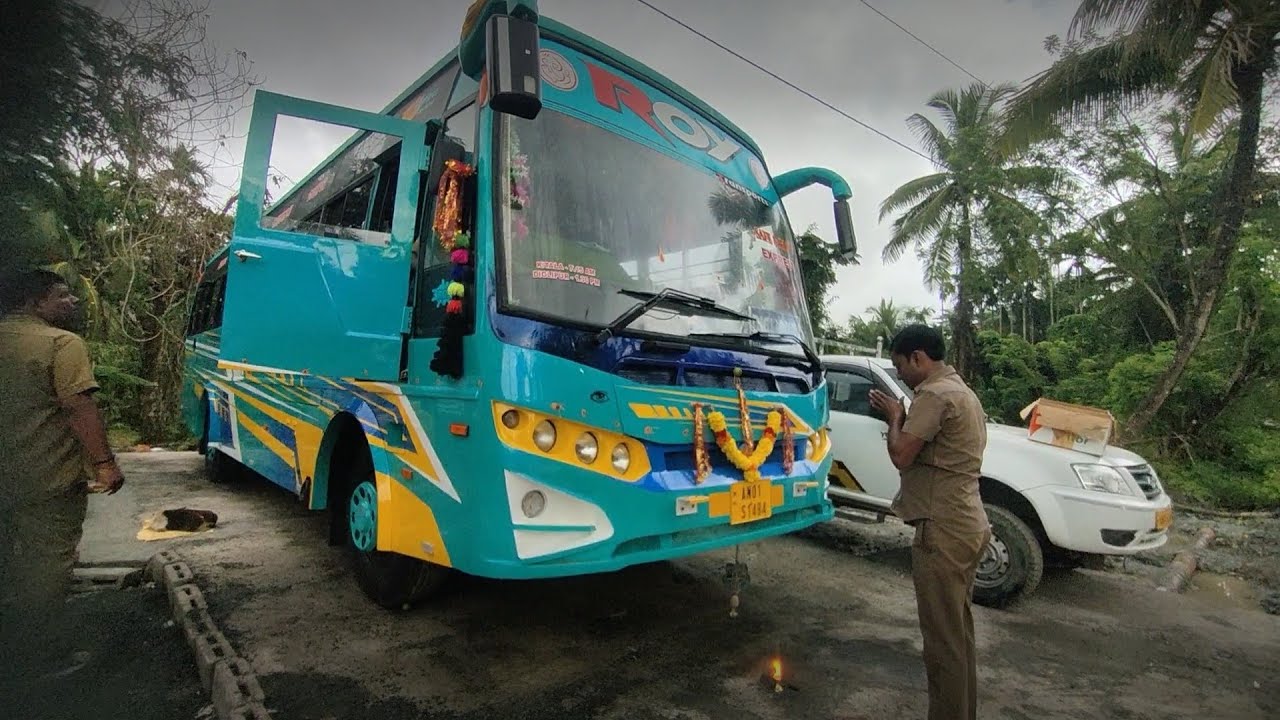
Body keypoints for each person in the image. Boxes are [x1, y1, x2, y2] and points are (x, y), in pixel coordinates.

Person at [0, 268, 124, 679]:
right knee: (45, 567)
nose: (72, 301)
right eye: (61, 295)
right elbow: (78, 408)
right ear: (35, 303)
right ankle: (40, 658)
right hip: (45, 480)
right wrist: (104, 465)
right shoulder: (61, 344)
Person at [868, 324, 990, 720]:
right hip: (968, 523)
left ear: (918, 358)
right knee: (958, 635)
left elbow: (902, 455)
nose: (899, 374)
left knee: (942, 644)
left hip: (943, 529)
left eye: (899, 366)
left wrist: (894, 416)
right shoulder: (963, 392)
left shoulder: (935, 395)